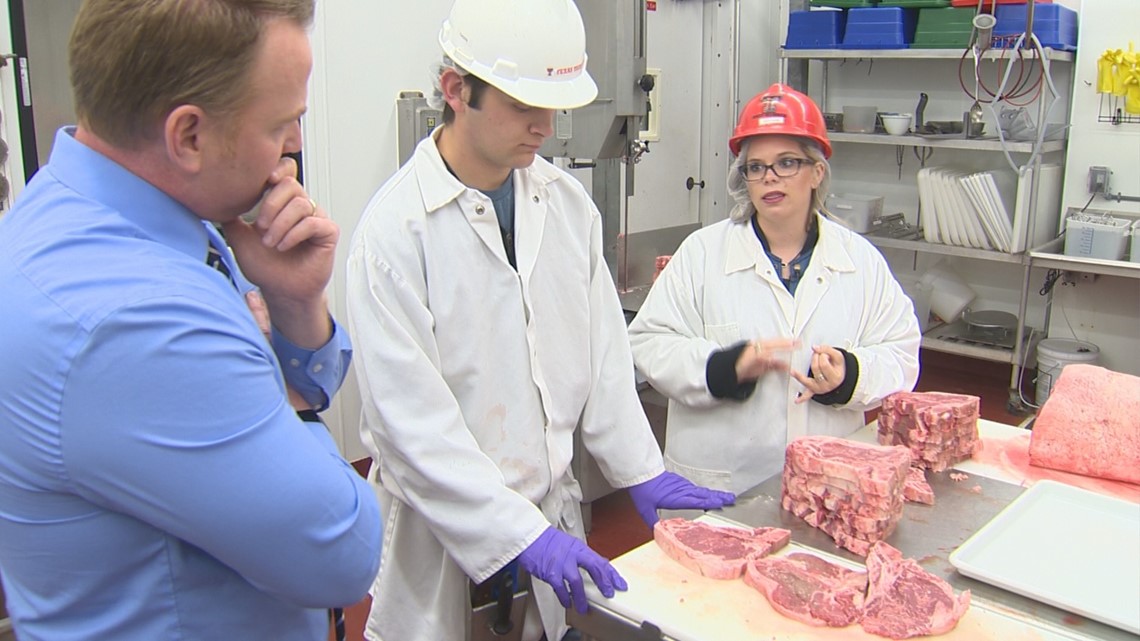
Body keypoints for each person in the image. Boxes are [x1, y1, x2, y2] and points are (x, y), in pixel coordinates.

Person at [345, 1, 735, 639]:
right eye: (524, 106)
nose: (546, 128)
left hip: (554, 519)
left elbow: (604, 357)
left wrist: (640, 468)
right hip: (445, 536)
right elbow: (409, 428)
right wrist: (515, 533)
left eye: (554, 107)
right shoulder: (394, 235)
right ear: (455, 90)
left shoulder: (567, 206)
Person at [0, 1, 382, 639]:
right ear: (189, 137)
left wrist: (292, 303)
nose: (294, 144)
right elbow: (343, 551)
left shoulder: (110, 211)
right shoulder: (137, 322)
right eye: (282, 123)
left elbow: (311, 384)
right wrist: (283, 401)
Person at [627, 83, 922, 496]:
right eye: (756, 167)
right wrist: (722, 368)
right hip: (720, 483)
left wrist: (849, 375)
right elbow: (648, 342)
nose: (769, 178)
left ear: (817, 172)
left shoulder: (859, 261)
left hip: (828, 485)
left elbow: (901, 354)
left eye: (787, 163)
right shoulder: (702, 253)